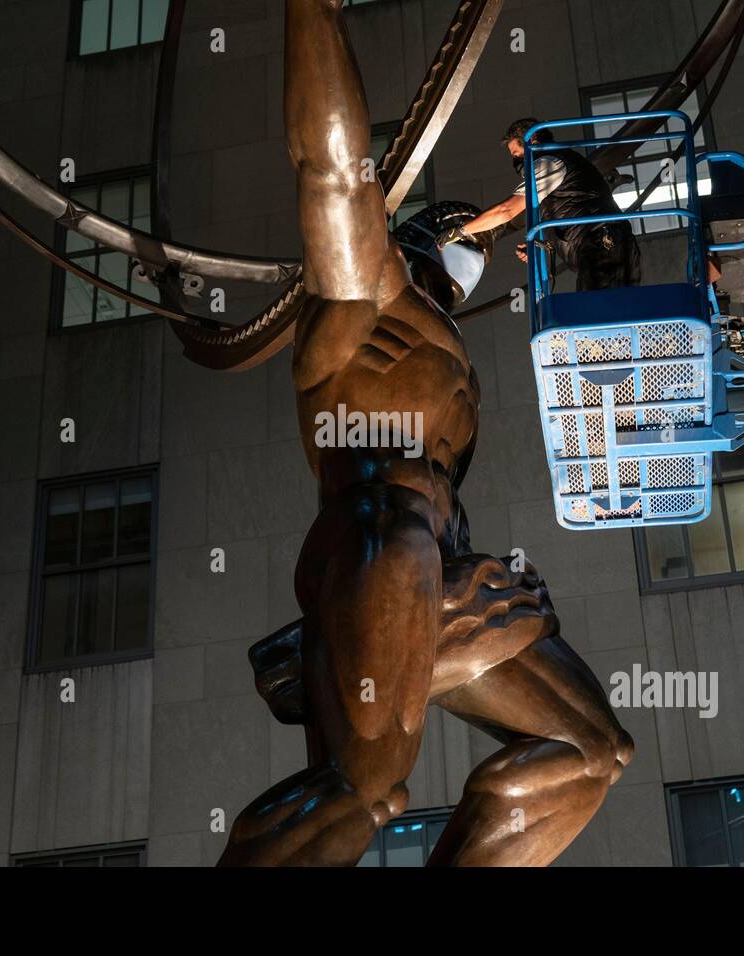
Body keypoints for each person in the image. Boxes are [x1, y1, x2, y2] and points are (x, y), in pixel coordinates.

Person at [218, 1, 632, 867]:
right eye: (462, 243)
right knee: (364, 794)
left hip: (445, 569)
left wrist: (572, 208)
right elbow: (332, 170)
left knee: (591, 752)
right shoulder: (363, 301)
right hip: (382, 549)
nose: (475, 258)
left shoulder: (444, 348)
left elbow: (600, 299)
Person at [438, 117, 642, 291]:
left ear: (532, 140)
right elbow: (573, 209)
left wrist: (460, 231)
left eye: (517, 154)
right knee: (600, 320)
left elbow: (506, 211)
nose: (517, 162)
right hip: (603, 247)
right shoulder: (561, 164)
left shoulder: (549, 162)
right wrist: (548, 243)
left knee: (599, 320)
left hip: (604, 248)